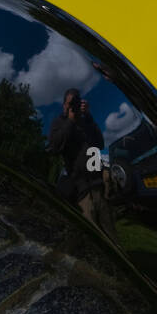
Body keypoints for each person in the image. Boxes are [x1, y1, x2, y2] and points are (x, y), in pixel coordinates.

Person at [47, 88, 117, 238]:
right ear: (63, 105)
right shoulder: (58, 123)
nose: (71, 106)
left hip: (99, 186)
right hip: (82, 190)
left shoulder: (86, 122)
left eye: (76, 103)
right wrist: (70, 122)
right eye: (69, 103)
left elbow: (100, 143)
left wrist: (89, 117)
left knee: (110, 232)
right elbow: (54, 146)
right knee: (92, 237)